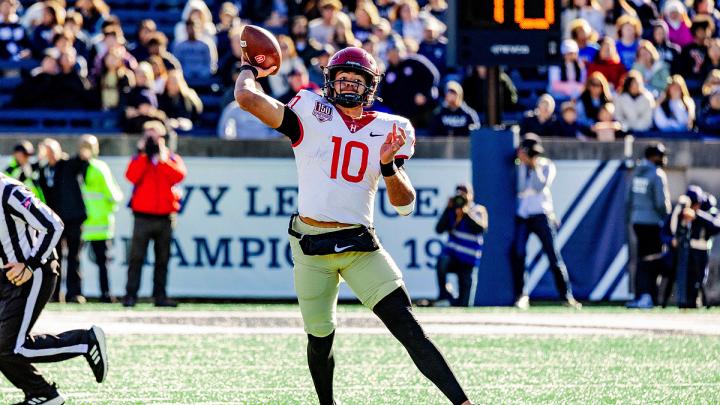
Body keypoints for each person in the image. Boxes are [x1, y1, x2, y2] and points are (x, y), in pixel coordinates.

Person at [235, 46, 472, 405]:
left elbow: (404, 206)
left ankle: (464, 403)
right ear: (330, 81)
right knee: (319, 337)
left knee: (409, 328)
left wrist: (389, 166)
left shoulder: (390, 128)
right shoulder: (309, 113)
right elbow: (247, 99)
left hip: (359, 247)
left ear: (370, 86)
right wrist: (249, 69)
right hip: (311, 247)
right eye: (342, 77)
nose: (348, 84)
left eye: (355, 79)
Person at [0, 173, 108, 405]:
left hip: (34, 271)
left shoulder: (8, 191)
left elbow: (53, 224)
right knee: (5, 346)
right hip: (7, 275)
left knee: (9, 347)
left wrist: (30, 264)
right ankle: (42, 394)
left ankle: (85, 341)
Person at [511, 136, 581, 310]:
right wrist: (523, 164)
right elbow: (519, 188)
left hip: (542, 215)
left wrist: (533, 166)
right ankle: (521, 295)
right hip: (523, 216)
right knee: (518, 253)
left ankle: (566, 295)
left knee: (553, 256)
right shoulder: (518, 166)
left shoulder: (547, 166)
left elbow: (538, 186)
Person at [123, 121, 186, 308]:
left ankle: (160, 296)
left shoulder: (171, 158)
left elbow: (179, 176)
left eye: (155, 136)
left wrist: (162, 159)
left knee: (162, 259)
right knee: (136, 258)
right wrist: (144, 156)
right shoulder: (139, 159)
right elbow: (131, 176)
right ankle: (130, 295)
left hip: (165, 217)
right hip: (142, 216)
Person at [37, 139, 89, 304]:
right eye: (47, 151)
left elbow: (82, 161)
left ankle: (74, 293)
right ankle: (54, 293)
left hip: (73, 219)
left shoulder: (68, 164)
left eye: (52, 150)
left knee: (74, 257)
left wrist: (85, 147)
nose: (50, 154)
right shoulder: (43, 169)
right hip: (54, 221)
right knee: (55, 259)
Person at [626, 143, 671, 309]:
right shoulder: (657, 174)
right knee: (653, 261)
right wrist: (667, 221)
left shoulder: (636, 172)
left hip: (637, 221)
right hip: (652, 223)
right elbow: (661, 203)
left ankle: (640, 295)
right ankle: (649, 296)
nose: (663, 159)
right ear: (653, 157)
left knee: (641, 260)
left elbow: (628, 199)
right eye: (661, 155)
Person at [78, 135, 123, 303]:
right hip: (100, 222)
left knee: (76, 261)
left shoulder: (77, 166)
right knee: (102, 263)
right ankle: (105, 294)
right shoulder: (100, 167)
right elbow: (113, 195)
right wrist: (110, 209)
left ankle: (77, 293)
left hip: (83, 221)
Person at [660, 186, 720, 308]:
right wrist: (672, 241)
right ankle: (678, 303)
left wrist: (697, 215)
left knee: (700, 279)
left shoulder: (707, 207)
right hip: (682, 252)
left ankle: (701, 303)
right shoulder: (680, 209)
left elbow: (716, 225)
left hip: (701, 252)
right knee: (680, 278)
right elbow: (665, 231)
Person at [433, 185, 487, 307]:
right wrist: (448, 209)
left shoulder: (478, 210)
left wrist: (466, 213)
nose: (461, 197)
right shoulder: (452, 211)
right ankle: (444, 293)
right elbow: (439, 229)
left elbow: (481, 228)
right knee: (442, 262)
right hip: (454, 257)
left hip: (468, 260)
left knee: (465, 303)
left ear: (471, 195)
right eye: (459, 194)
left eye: (465, 194)